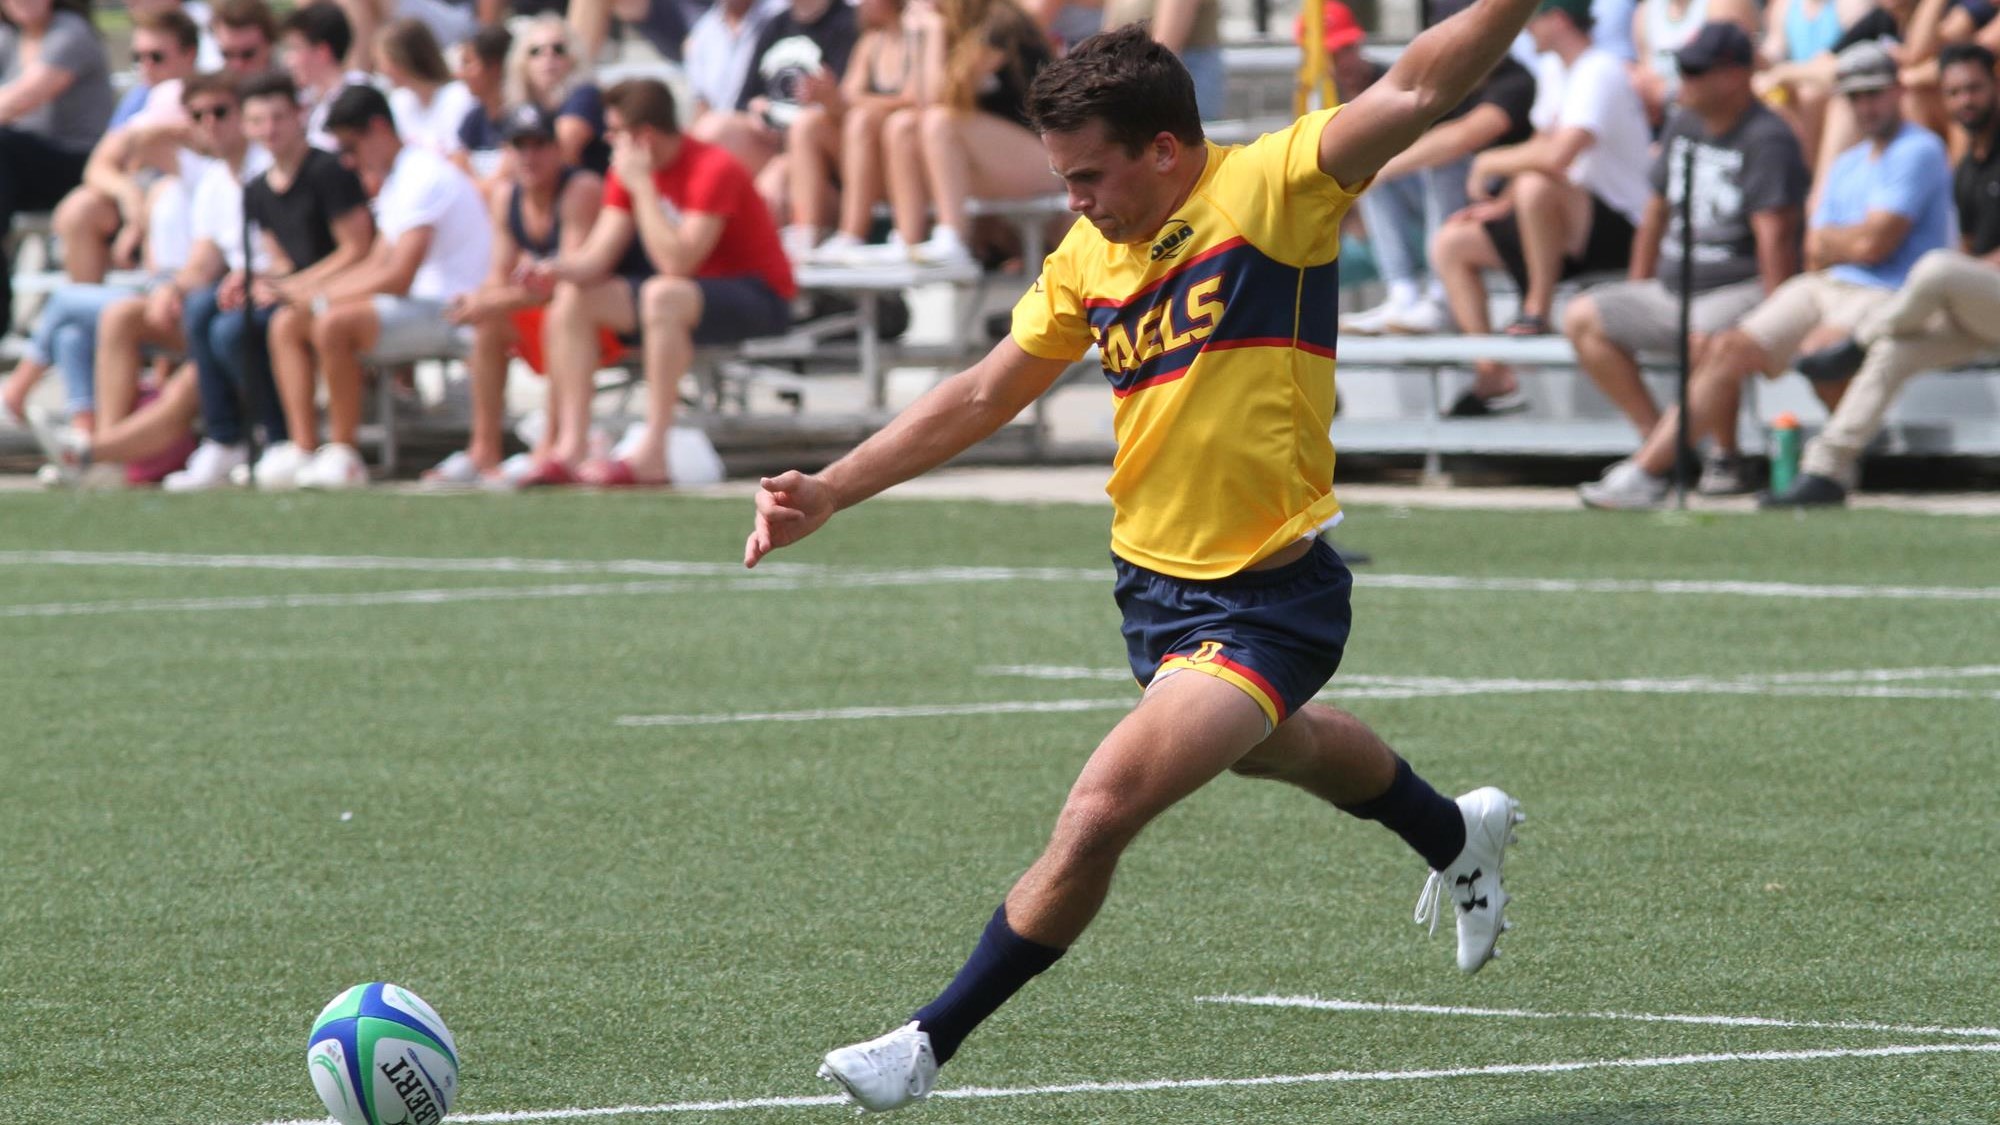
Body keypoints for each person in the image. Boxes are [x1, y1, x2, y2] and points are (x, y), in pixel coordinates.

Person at [744, 16, 1530, 1112]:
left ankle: (926, 1042)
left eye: (1089, 175)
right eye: (1064, 177)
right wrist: (831, 488)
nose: (1072, 199)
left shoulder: (1272, 188)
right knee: (1279, 749)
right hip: (1151, 592)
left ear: (1164, 148)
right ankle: (1454, 829)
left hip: (1270, 599)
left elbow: (1411, 87)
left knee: (1102, 807)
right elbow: (981, 393)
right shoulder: (1086, 254)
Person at [1580, 40, 1953, 510]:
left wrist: (1845, 240)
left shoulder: (1919, 149)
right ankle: (1652, 471)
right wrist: (1847, 240)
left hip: (1892, 289)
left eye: (1875, 93)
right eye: (1855, 96)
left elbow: (1873, 245)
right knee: (1727, 347)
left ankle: (1836, 458)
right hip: (1829, 284)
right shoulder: (1849, 160)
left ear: (1899, 91)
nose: (1865, 105)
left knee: (1822, 348)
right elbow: (1818, 244)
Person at [1569, 22, 1809, 506]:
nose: (1685, 79)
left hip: (1738, 284)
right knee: (1582, 317)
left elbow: (1775, 238)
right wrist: (1639, 283)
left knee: (1703, 335)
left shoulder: (1768, 138)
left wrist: (1778, 316)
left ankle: (1720, 456)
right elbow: (1655, 211)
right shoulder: (1683, 124)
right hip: (1672, 286)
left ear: (1737, 75)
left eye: (1697, 70)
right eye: (1682, 68)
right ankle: (1660, 444)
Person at [525, 78, 793, 484]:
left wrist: (644, 188)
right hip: (685, 294)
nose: (609, 140)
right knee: (574, 298)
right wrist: (555, 270)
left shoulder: (711, 168)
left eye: (615, 132)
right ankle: (571, 446)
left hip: (758, 296)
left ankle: (653, 451)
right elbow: (598, 255)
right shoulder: (630, 173)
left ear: (644, 136)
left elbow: (677, 262)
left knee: (661, 294)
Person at [1766, 43, 2000, 506]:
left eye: (1974, 88)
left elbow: (1966, 262)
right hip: (1985, 312)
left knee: (1935, 267)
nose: (1964, 101)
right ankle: (1826, 472)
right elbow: (1973, 248)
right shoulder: (1970, 166)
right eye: (1953, 93)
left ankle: (1858, 340)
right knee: (1894, 350)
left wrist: (1962, 274)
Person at [1428, 0, 1651, 416]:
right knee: (1453, 242)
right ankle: (1492, 376)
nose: (1524, 29)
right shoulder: (1556, 69)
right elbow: (1542, 148)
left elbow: (1557, 157)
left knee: (1534, 186)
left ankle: (1537, 308)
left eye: (1532, 17)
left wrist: (1488, 162)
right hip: (1566, 222)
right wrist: (1503, 202)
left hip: (1623, 224)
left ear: (1559, 19)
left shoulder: (1598, 69)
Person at [268, 83, 491, 488]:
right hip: (429, 305)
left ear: (377, 128)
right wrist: (300, 293)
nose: (349, 162)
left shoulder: (421, 174)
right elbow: (376, 263)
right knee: (287, 322)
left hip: (455, 309)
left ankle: (343, 450)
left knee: (333, 324)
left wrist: (316, 295)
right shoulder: (403, 175)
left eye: (350, 148)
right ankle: (303, 447)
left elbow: (398, 275)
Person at [175, 71, 375, 491]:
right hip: (301, 290)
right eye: (259, 121)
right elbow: (283, 260)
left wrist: (291, 287)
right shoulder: (257, 189)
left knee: (234, 332)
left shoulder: (327, 170)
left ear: (300, 115)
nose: (270, 130)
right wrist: (255, 277)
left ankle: (285, 434)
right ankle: (245, 437)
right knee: (203, 309)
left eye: (279, 117)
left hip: (342, 290)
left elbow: (356, 249)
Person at [429, 104, 607, 485]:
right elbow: (498, 276)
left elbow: (570, 280)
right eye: (519, 145)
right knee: (488, 323)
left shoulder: (580, 190)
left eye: (539, 144)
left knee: (561, 312)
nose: (529, 156)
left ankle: (550, 446)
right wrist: (481, 302)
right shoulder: (507, 197)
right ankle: (483, 448)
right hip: (553, 311)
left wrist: (488, 300)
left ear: (557, 149)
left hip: (597, 318)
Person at [845, 0, 1054, 267]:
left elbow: (936, 97)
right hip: (988, 158)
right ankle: (906, 238)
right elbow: (917, 102)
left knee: (938, 120)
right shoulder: (950, 26)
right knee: (903, 125)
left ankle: (953, 236)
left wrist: (931, 33)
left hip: (1040, 158)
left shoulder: (1000, 21)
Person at [1342, 50, 1536, 335]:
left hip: (1506, 213)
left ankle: (1439, 298)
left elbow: (1462, 138)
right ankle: (1402, 293)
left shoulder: (1515, 80)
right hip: (1455, 217)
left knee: (1440, 170)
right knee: (1377, 170)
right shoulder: (1458, 78)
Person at [48, 7, 201, 286]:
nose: (146, 65)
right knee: (78, 208)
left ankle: (160, 307)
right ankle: (88, 307)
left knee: (165, 199)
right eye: (137, 57)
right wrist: (127, 194)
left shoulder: (207, 99)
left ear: (189, 53)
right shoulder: (138, 97)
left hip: (188, 198)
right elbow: (98, 166)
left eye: (156, 56)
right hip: (141, 197)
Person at [0, 0, 115, 333]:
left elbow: (18, 101)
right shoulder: (9, 37)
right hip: (18, 169)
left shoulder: (70, 33)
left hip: (76, 162)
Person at [784, 0, 912, 260]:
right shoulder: (870, 41)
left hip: (908, 163)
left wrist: (843, 100)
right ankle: (806, 233)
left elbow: (918, 100)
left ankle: (852, 234)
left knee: (861, 121)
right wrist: (828, 99)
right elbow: (847, 100)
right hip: (874, 161)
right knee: (807, 124)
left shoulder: (920, 34)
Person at [506, 13, 610, 172]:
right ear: (522, 61)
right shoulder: (524, 106)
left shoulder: (585, 95)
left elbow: (560, 157)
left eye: (558, 49)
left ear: (573, 57)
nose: (548, 57)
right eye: (535, 51)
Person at [1628, 0, 1757, 126]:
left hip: (1714, 125)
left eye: (1692, 70)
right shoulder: (1645, 11)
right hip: (1665, 123)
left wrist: (1669, 94)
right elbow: (1645, 73)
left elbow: (1734, 79)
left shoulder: (1724, 4)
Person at [283, 1, 375, 151]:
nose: (288, 60)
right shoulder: (305, 102)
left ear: (322, 52)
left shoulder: (360, 94)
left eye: (295, 48)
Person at [451, 22, 512, 182]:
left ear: (495, 67)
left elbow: (502, 183)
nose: (460, 74)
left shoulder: (520, 119)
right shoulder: (472, 119)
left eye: (468, 63)